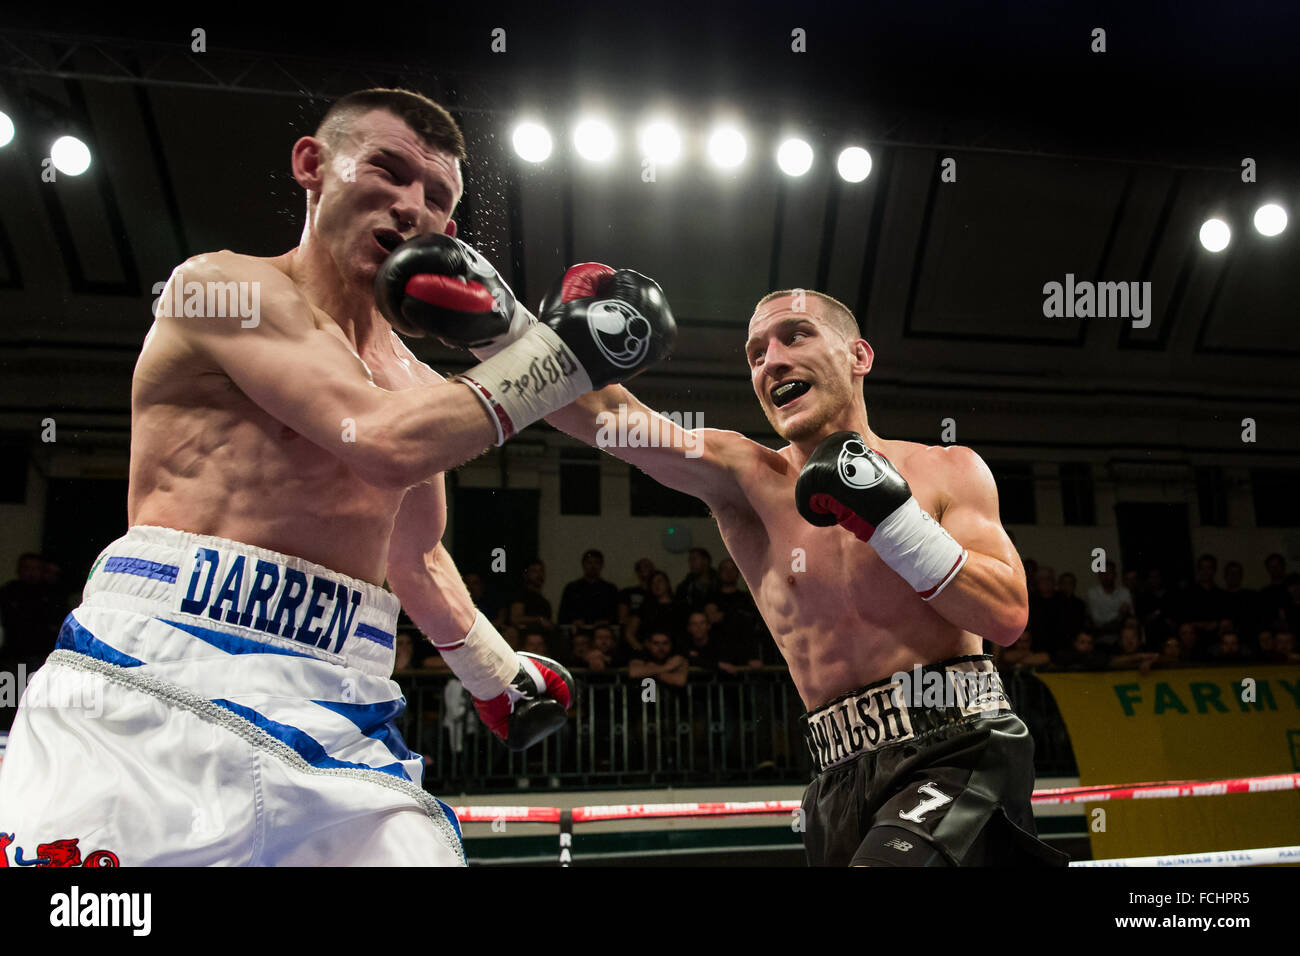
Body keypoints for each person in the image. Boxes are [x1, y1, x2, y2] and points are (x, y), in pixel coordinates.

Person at [0, 88, 676, 866]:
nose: (410, 204)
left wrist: (496, 675)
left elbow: (414, 556)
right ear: (312, 165)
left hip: (341, 707)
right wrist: (566, 351)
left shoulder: (424, 385)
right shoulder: (221, 289)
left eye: (436, 198)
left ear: (450, 234)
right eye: (387, 170)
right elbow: (380, 441)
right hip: (152, 681)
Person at [545, 285, 1067, 866]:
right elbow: (604, 418)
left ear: (859, 356)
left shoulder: (947, 468)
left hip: (960, 744)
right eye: (755, 354)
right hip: (836, 775)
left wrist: (895, 523)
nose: (772, 360)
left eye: (795, 335)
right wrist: (499, 324)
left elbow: (1006, 615)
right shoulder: (745, 477)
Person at [557, 549, 619, 628]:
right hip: (577, 634)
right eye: (589, 563)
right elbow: (562, 616)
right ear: (583, 565)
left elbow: (617, 616)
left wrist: (607, 622)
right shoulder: (572, 588)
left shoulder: (610, 589)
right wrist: (573, 621)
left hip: (603, 634)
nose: (593, 566)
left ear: (602, 565)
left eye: (596, 563)